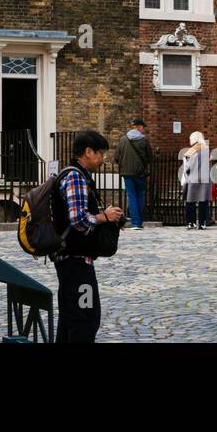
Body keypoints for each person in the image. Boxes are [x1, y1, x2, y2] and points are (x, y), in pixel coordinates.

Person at [52, 129, 123, 343]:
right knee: (86, 318)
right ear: (88, 152)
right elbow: (78, 220)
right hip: (76, 262)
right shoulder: (75, 176)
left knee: (69, 319)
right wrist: (104, 217)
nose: (103, 159)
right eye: (100, 153)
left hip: (71, 260)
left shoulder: (72, 174)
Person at [114, 117, 152, 230]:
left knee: (131, 196)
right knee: (140, 195)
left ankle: (135, 222)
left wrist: (123, 163)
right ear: (139, 127)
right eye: (143, 127)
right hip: (140, 172)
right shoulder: (144, 140)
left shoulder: (123, 140)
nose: (144, 130)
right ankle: (138, 222)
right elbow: (150, 158)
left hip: (127, 173)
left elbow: (116, 157)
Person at [180, 131, 212, 230]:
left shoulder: (191, 151)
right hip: (205, 178)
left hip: (193, 178)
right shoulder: (206, 149)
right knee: (203, 202)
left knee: (190, 201)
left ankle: (191, 222)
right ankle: (202, 223)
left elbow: (187, 166)